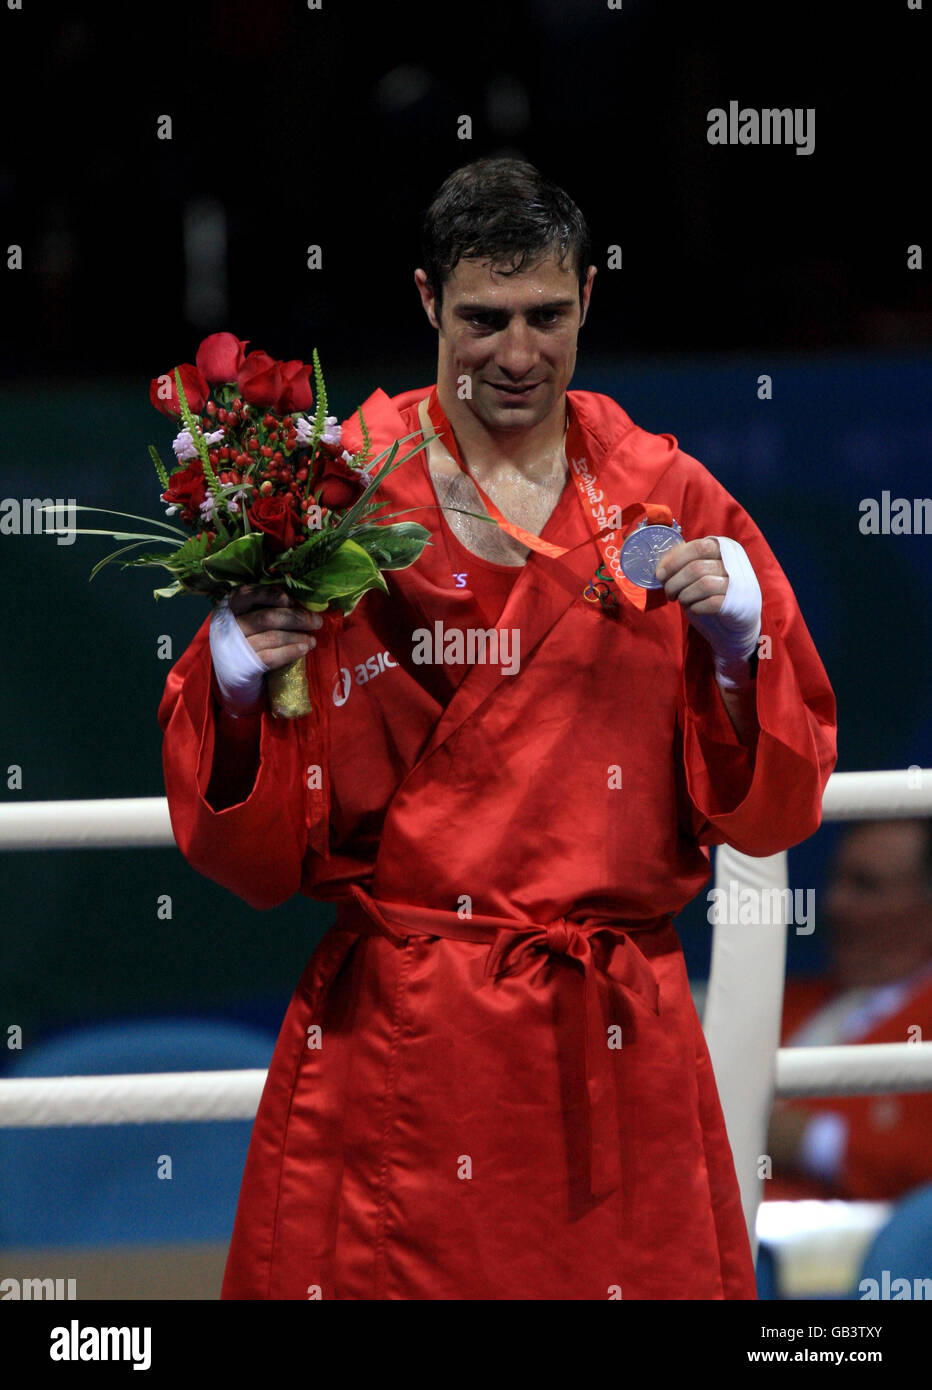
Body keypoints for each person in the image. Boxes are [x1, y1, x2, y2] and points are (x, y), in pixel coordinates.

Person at [158, 157, 837, 1300]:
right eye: (482, 320)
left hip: (612, 1050)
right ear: (426, 301)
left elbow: (777, 806)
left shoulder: (669, 497)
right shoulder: (334, 498)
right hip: (407, 1052)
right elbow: (252, 858)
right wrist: (228, 684)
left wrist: (738, 650)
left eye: (544, 317)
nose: (516, 356)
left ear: (586, 303)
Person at [767, 819, 932, 1201]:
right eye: (836, 880)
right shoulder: (784, 1000)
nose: (835, 904)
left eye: (865, 886)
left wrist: (810, 1141)